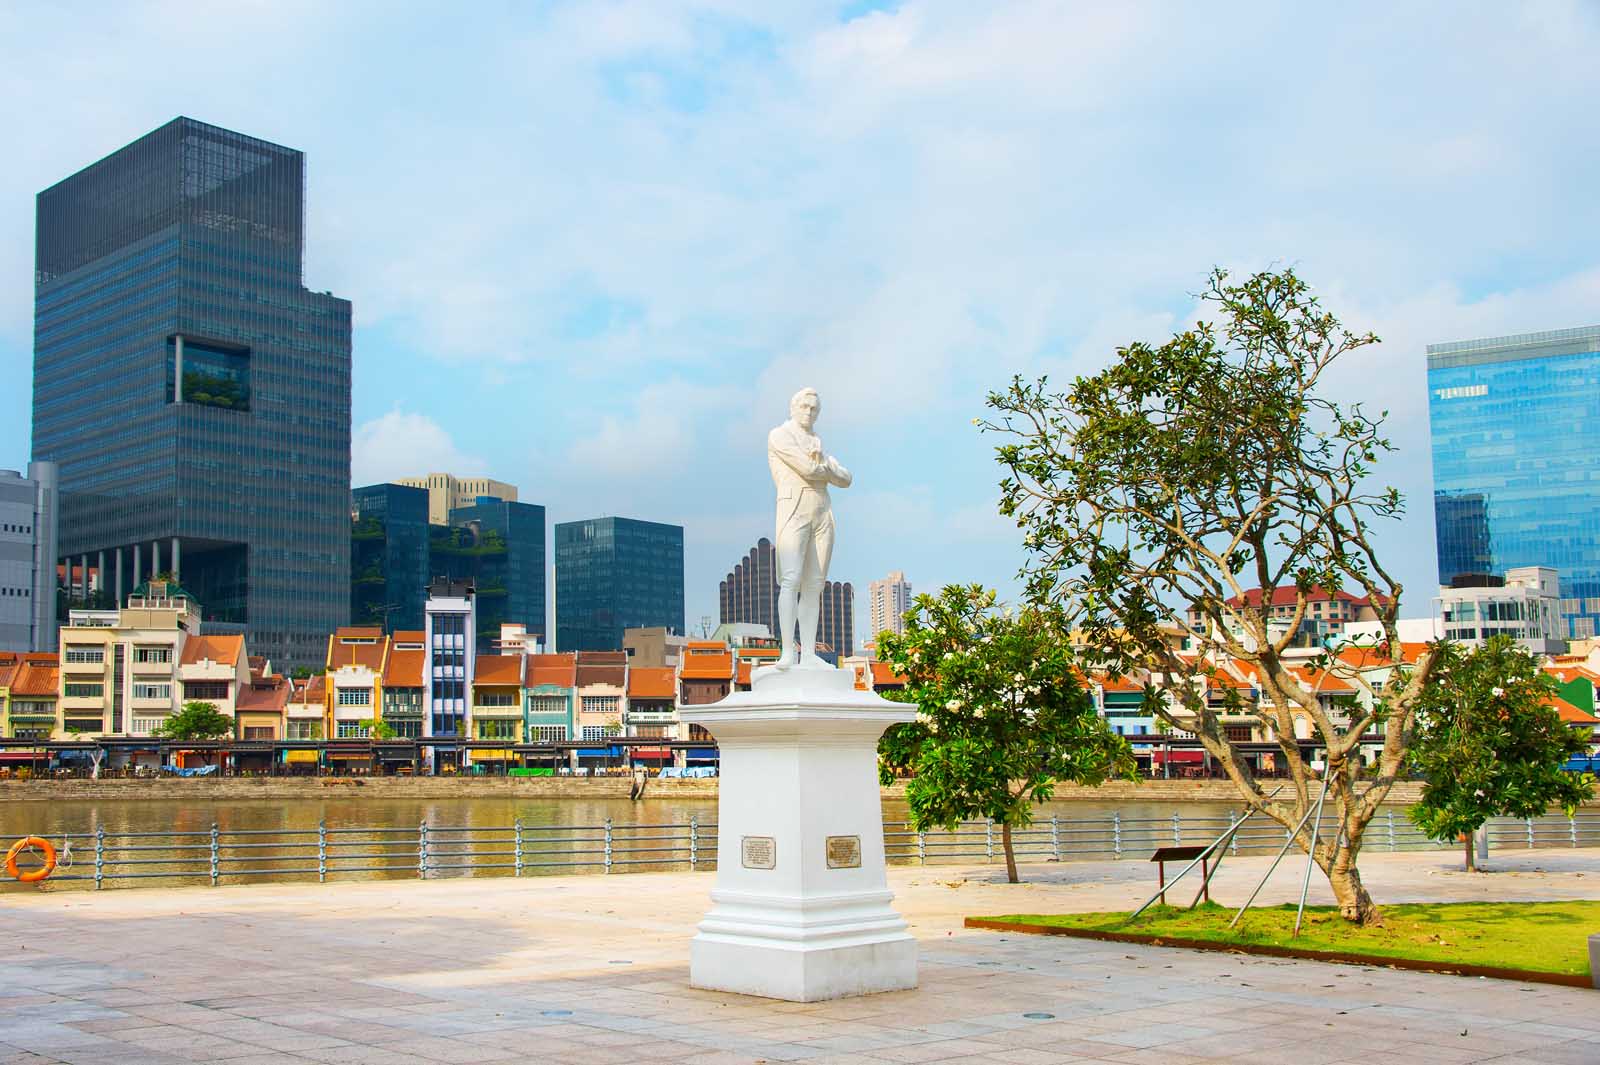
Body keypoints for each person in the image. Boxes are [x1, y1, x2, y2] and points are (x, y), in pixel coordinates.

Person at [767, 387, 852, 668]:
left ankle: (809, 654)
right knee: (791, 580)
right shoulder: (780, 435)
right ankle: (788, 651)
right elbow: (809, 469)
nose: (809, 412)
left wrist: (825, 466)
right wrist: (827, 466)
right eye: (804, 406)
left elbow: (846, 479)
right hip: (794, 509)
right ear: (793, 407)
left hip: (821, 512)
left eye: (814, 408)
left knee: (814, 585)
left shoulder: (816, 441)